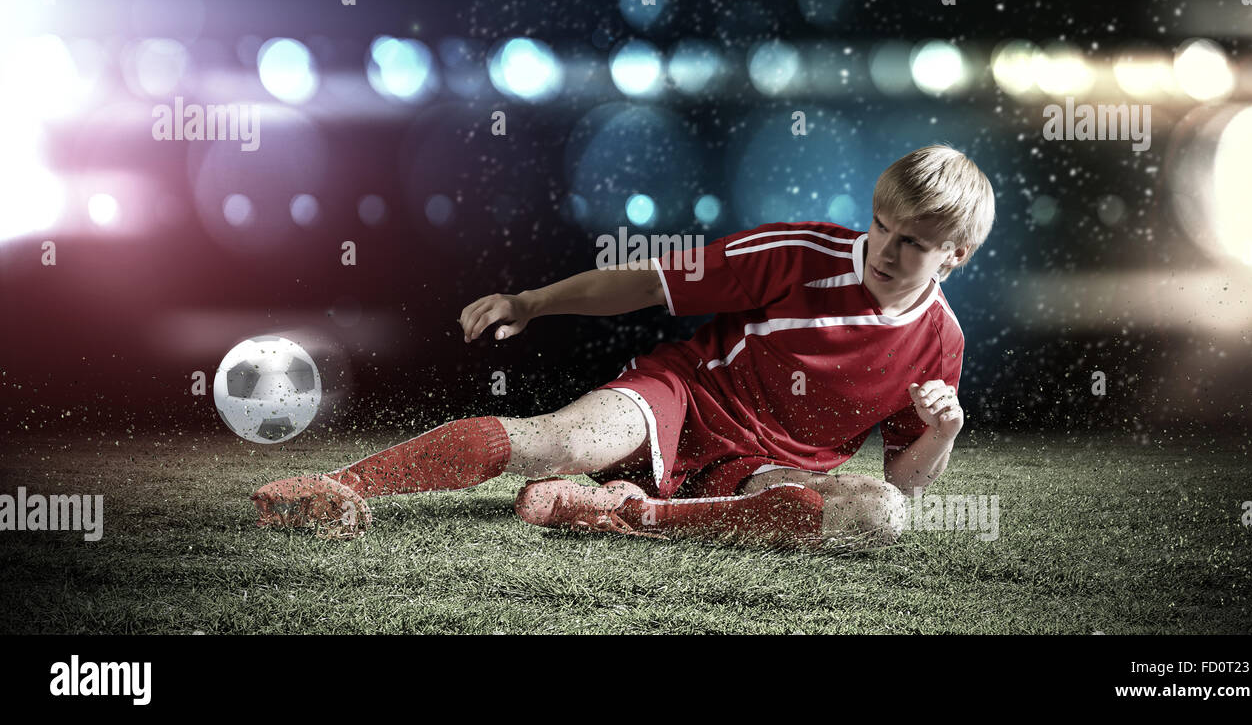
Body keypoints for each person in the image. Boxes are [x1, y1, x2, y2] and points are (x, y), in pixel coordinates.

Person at [252, 144, 996, 549]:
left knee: (878, 516)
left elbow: (907, 480)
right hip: (682, 403)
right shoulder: (797, 252)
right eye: (881, 225)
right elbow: (649, 284)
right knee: (554, 443)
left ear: (955, 254)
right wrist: (530, 303)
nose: (886, 249)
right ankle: (337, 489)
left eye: (913, 243)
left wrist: (944, 431)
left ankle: (629, 515)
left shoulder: (941, 343)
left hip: (769, 470)